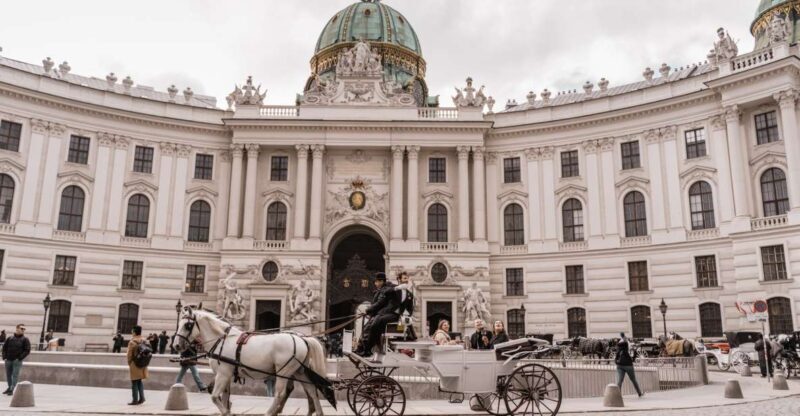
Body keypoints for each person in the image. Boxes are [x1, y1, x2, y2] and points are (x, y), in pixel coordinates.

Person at [356, 272, 415, 357]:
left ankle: (367, 349)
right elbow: (385, 291)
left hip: (395, 316)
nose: (406, 280)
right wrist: (397, 288)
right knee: (372, 324)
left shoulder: (409, 294)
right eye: (404, 278)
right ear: (399, 279)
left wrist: (406, 316)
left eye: (407, 278)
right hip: (386, 312)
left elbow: (410, 309)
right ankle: (365, 348)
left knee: (377, 321)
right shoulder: (393, 287)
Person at [2, 324, 30, 395]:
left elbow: (27, 350)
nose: (23, 330)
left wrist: (19, 358)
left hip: (17, 360)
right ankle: (9, 387)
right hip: (8, 359)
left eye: (24, 329)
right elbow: (4, 348)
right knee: (8, 375)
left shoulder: (25, 339)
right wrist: (4, 357)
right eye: (22, 328)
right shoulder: (10, 338)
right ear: (17, 329)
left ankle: (12, 388)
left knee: (15, 375)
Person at [615, 332, 643, 397]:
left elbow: (616, 355)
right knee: (633, 379)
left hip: (620, 365)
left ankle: (618, 395)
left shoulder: (619, 345)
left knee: (619, 381)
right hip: (628, 365)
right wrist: (632, 359)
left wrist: (617, 362)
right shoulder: (628, 344)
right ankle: (639, 393)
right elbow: (634, 353)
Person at [127, 325, 148, 405]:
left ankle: (135, 400)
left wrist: (129, 363)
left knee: (134, 382)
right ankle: (142, 398)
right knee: (139, 381)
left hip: (135, 363)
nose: (131, 332)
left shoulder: (132, 342)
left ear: (135, 332)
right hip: (143, 363)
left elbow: (129, 355)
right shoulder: (144, 340)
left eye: (132, 330)